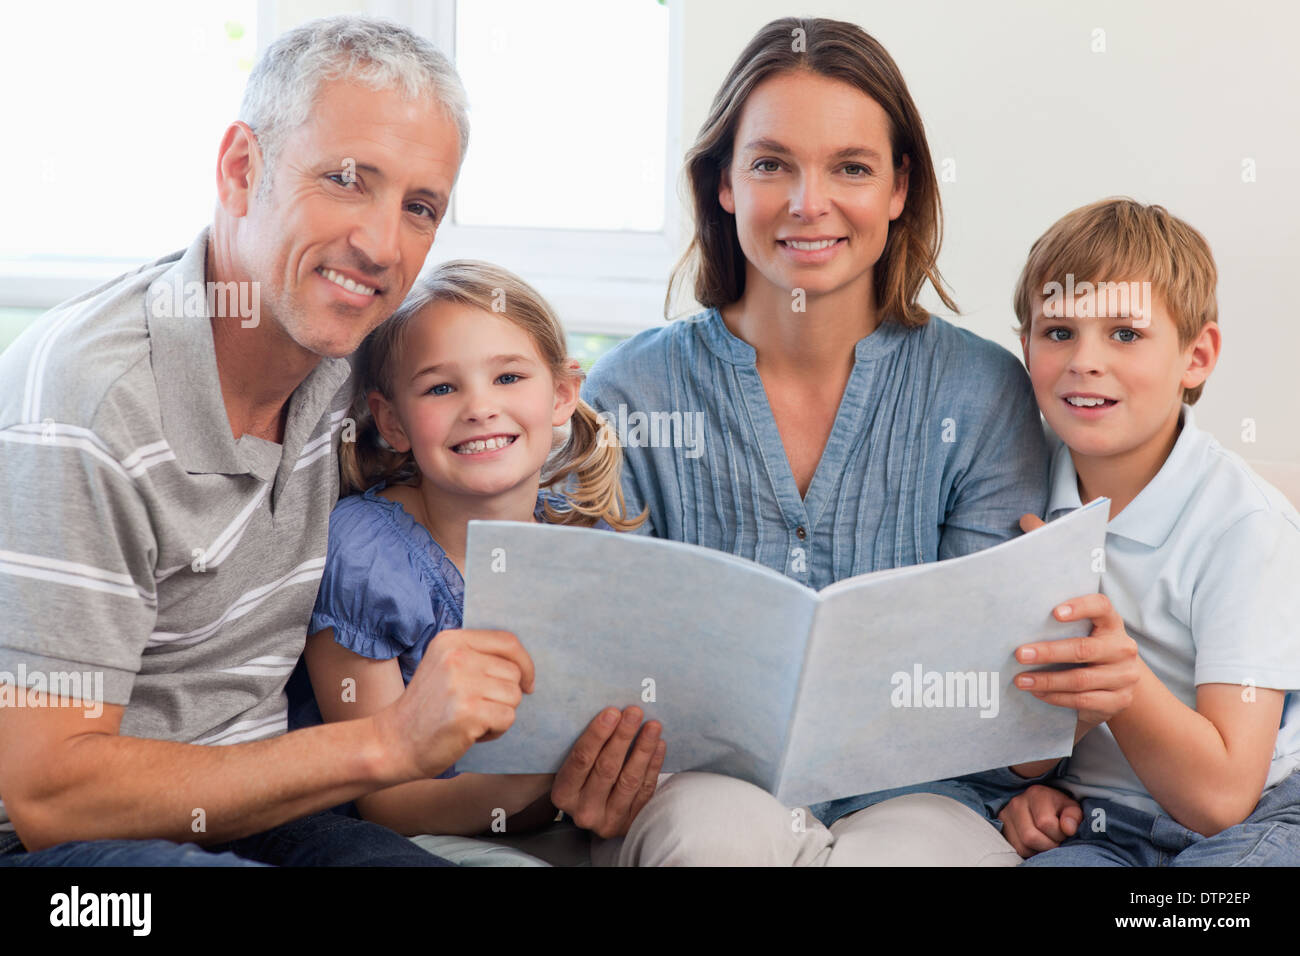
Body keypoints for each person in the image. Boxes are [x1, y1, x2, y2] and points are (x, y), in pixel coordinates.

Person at [0, 16, 533, 867]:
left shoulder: (348, 359)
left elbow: (490, 410)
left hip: (268, 809)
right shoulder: (86, 407)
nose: (382, 245)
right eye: (347, 181)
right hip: (68, 852)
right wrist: (391, 742)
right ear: (242, 169)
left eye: (420, 207)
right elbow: (49, 798)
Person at [581, 16, 1088, 866]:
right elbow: (593, 657)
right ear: (725, 184)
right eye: (772, 163)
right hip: (700, 789)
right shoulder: (631, 392)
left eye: (850, 167)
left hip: (927, 797)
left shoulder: (983, 390)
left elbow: (997, 708)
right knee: (710, 842)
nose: (808, 203)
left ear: (898, 188)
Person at [296, 261, 664, 865]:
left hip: (569, 822)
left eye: (509, 377)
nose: (479, 408)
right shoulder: (366, 553)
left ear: (562, 395)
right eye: (441, 388)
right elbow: (389, 803)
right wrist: (544, 774)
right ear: (393, 421)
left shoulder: (578, 534)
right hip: (420, 841)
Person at [991, 198, 1300, 866]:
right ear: (1025, 348)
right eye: (1058, 332)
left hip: (1254, 818)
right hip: (1097, 822)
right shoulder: (1010, 496)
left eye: (1125, 334)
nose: (1085, 360)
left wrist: (1121, 686)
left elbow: (1222, 798)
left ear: (1197, 356)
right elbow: (1003, 740)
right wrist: (1023, 793)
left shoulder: (1245, 525)